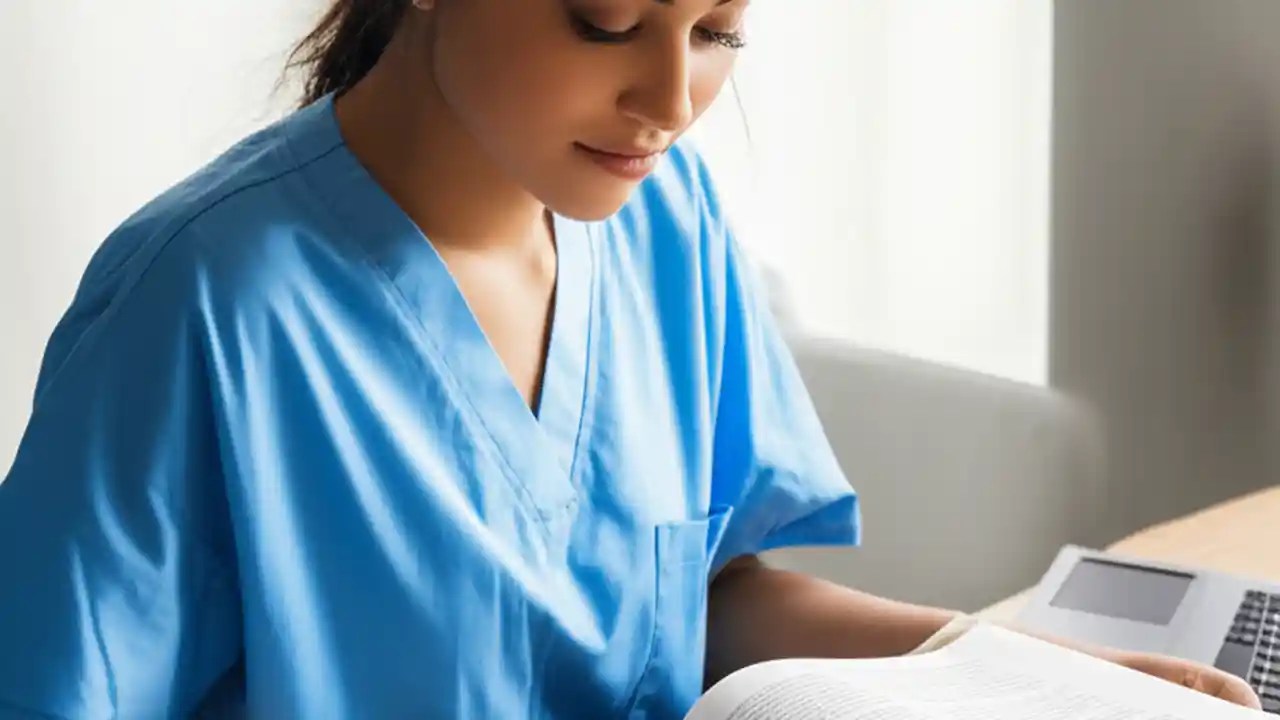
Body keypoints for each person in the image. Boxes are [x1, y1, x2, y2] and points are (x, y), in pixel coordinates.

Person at [0, 0, 1260, 717]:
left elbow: (702, 598)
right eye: (606, 20)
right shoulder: (197, 305)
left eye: (717, 30)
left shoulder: (667, 220)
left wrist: (1003, 672)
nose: (668, 96)